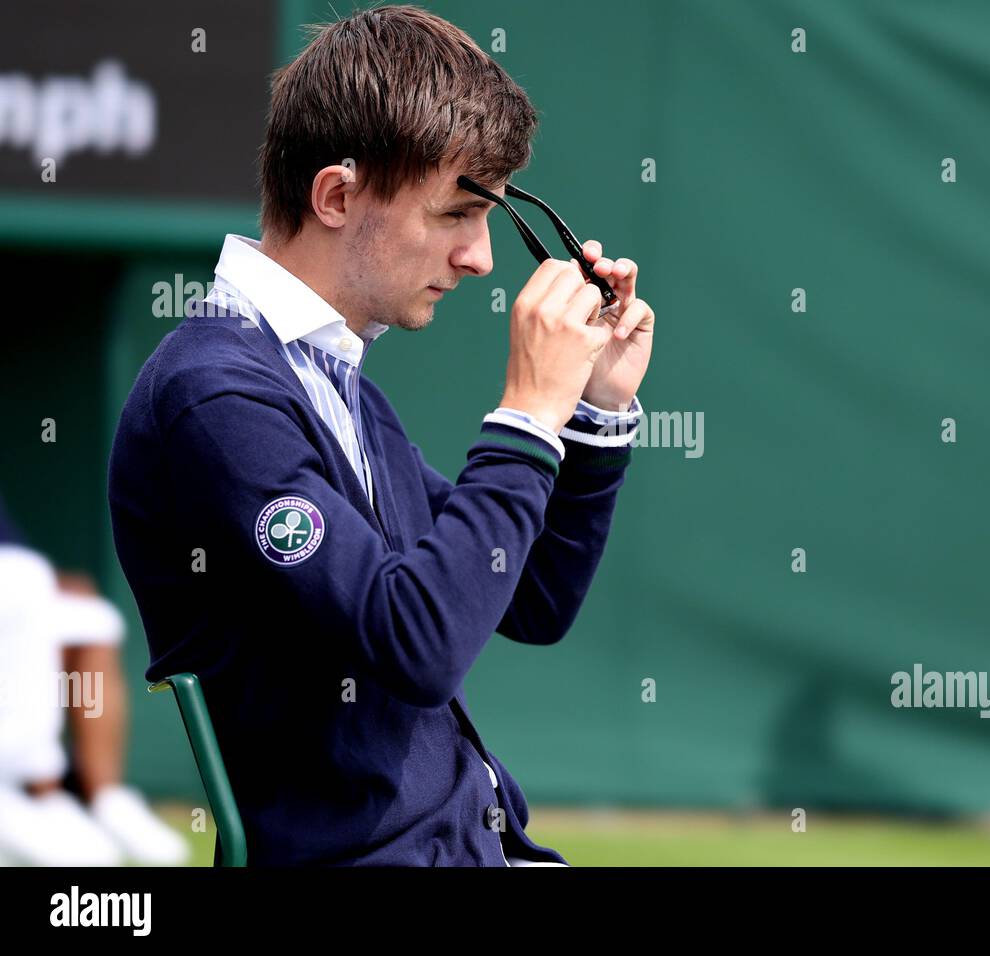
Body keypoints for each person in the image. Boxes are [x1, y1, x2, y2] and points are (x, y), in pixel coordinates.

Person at [108, 5, 653, 866]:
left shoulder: (332, 385)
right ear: (336, 196)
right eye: (453, 215)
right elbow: (419, 644)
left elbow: (533, 598)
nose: (480, 257)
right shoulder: (214, 397)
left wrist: (592, 412)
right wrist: (525, 416)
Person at [0, 494, 188, 865]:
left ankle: (105, 797)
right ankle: (33, 792)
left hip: (19, 572)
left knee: (90, 617)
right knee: (22, 592)